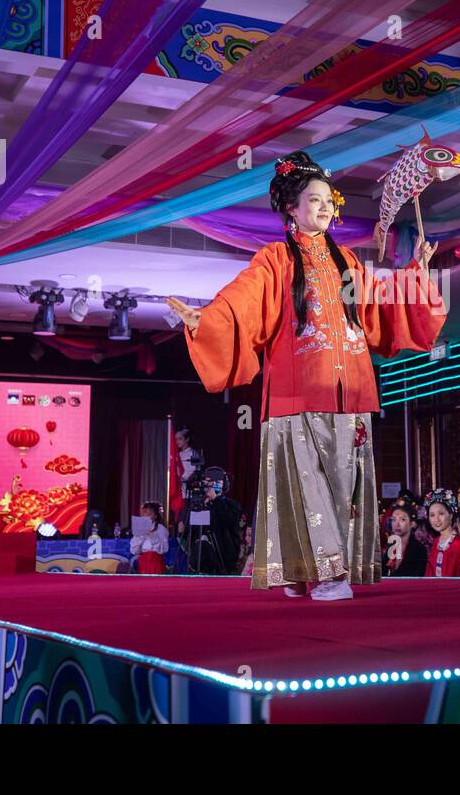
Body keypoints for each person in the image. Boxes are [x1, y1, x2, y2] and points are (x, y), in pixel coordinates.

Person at [170, 151, 445, 601]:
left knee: (344, 486)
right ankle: (324, 575)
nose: (323, 207)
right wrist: (208, 319)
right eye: (312, 200)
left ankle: (307, 571)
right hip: (297, 395)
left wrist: (416, 273)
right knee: (307, 486)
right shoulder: (275, 260)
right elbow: (244, 299)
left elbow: (376, 311)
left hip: (351, 392)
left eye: (327, 201)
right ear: (291, 209)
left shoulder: (348, 264)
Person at [180, 467, 244, 575]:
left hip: (223, 559)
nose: (212, 484)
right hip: (199, 560)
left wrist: (216, 499)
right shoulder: (198, 505)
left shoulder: (232, 505)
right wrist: (184, 526)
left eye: (217, 481)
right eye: (209, 481)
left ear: (224, 484)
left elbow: (230, 521)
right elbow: (189, 533)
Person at [424, 489, 460, 578]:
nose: (436, 519)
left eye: (441, 513)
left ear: (450, 515)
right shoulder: (435, 542)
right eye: (432, 515)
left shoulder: (459, 543)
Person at [386, 495, 427, 577]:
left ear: (412, 524)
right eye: (394, 519)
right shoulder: (392, 546)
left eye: (402, 519)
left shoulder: (419, 549)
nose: (396, 524)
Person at [130, 501, 169, 574]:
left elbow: (164, 548)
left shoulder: (161, 528)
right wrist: (141, 537)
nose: (146, 517)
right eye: (144, 514)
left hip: (155, 561)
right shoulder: (139, 529)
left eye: (149, 514)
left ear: (155, 516)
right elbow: (134, 551)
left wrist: (152, 535)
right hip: (143, 561)